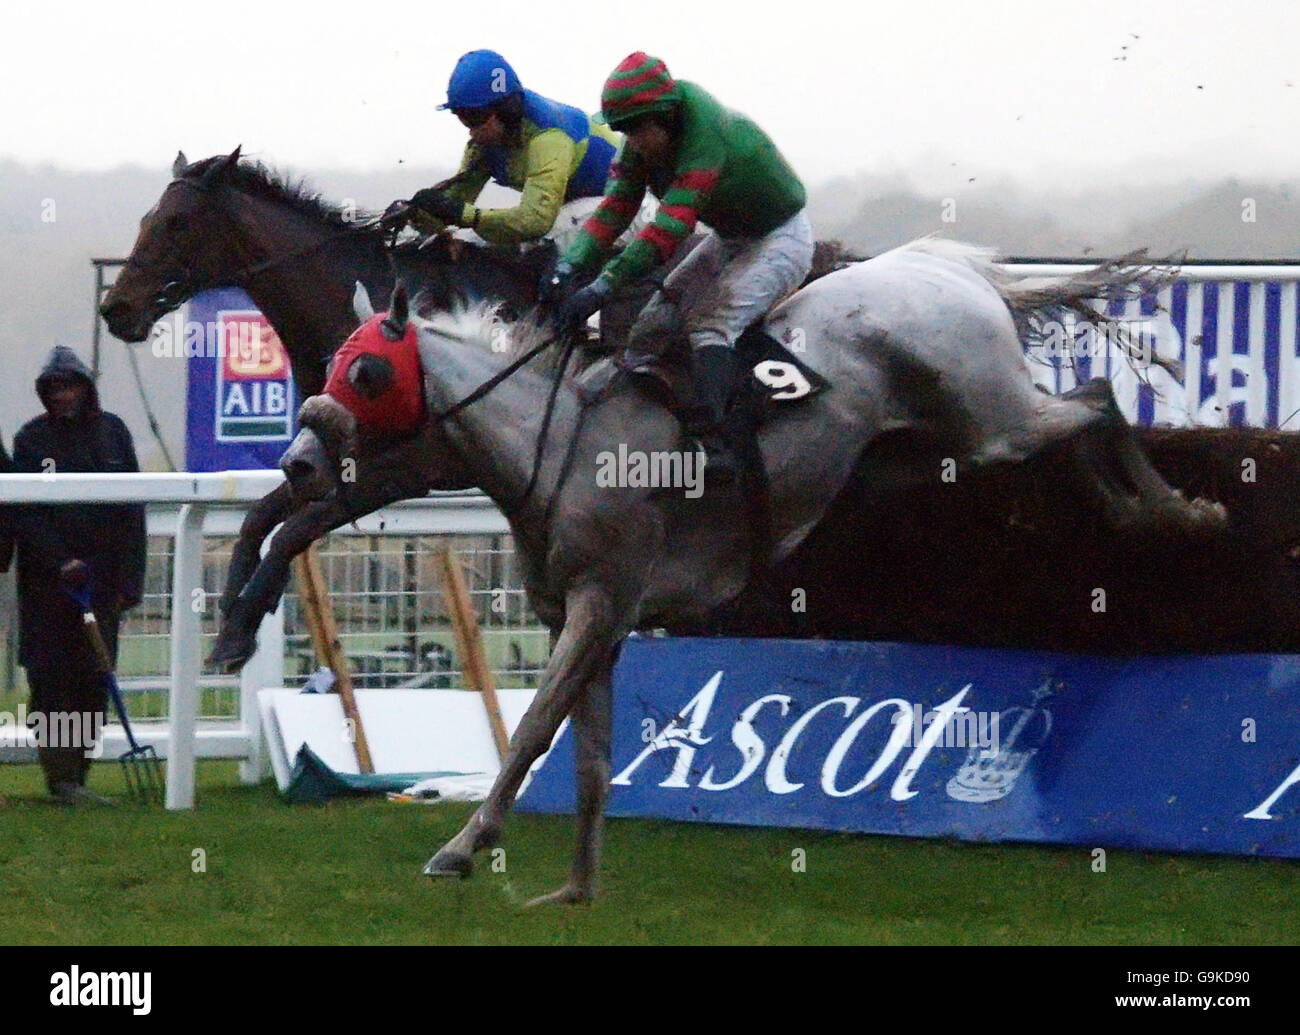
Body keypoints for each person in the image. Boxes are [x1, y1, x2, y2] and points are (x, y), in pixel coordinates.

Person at [552, 52, 814, 474]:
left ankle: (718, 445)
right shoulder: (640, 140)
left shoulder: (704, 134)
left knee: (710, 326)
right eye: (623, 130)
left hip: (780, 237)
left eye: (638, 128)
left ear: (666, 116)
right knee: (651, 326)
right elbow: (615, 209)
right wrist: (567, 267)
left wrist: (603, 286)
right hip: (730, 237)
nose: (631, 140)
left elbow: (668, 229)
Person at [11, 346, 147, 805]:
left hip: (103, 587)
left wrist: (130, 580)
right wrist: (58, 561)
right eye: (55, 389)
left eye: (70, 387)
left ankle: (80, 773)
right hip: (49, 590)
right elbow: (25, 514)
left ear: (86, 389)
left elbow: (132, 509)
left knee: (94, 678)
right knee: (52, 680)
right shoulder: (31, 440)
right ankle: (60, 776)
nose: (63, 396)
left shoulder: (113, 435)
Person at [390, 49, 624, 254]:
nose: (472, 131)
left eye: (475, 117)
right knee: (473, 245)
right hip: (575, 210)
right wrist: (416, 213)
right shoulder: (486, 140)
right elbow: (455, 208)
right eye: (462, 118)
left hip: (625, 207)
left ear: (507, 109)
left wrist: (465, 215)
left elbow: (535, 221)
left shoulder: (549, 137)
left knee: (536, 246)